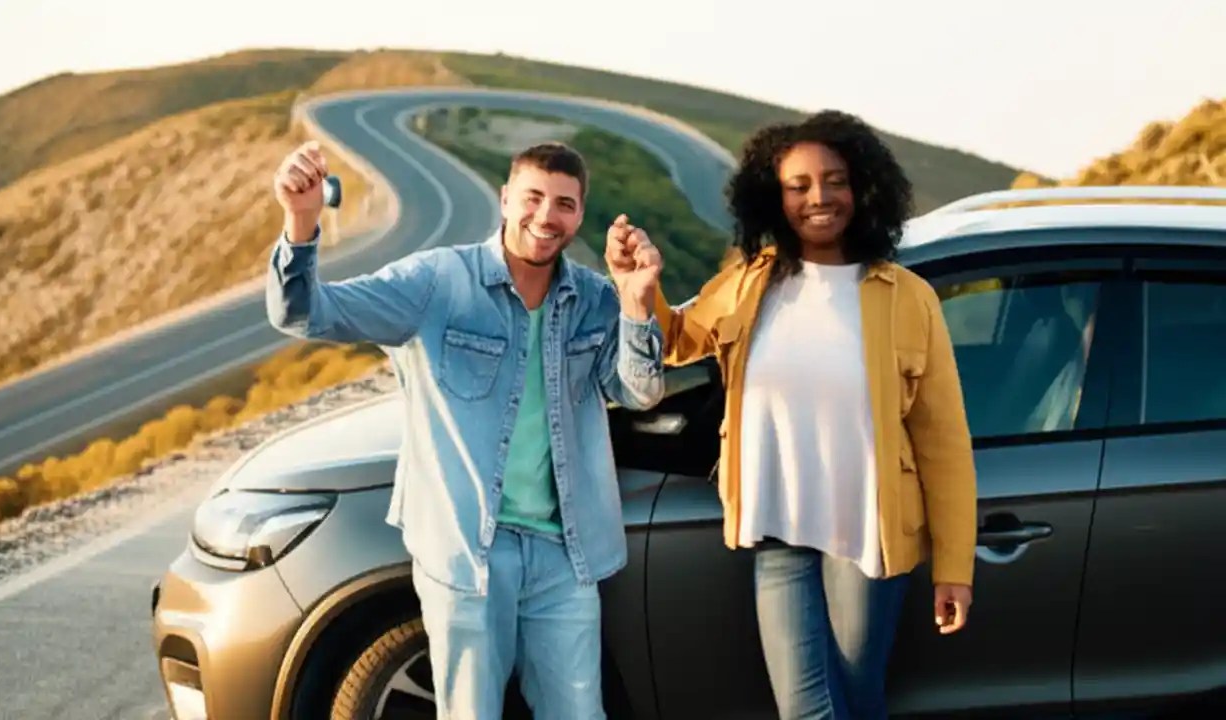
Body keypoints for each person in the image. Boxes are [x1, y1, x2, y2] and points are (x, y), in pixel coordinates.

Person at [268, 139, 665, 720]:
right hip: (468, 551)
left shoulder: (596, 298)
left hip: (565, 554)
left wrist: (636, 303)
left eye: (564, 204)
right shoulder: (437, 282)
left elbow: (639, 392)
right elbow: (304, 312)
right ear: (505, 200)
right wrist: (300, 222)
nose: (545, 217)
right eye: (532, 197)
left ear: (580, 213)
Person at [606, 110, 977, 719]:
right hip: (776, 532)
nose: (818, 198)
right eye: (797, 186)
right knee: (803, 710)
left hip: (865, 537)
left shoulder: (907, 297)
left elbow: (943, 442)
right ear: (773, 198)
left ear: (862, 188)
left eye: (834, 180)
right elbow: (676, 343)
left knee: (855, 700)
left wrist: (954, 568)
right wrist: (639, 289)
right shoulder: (750, 283)